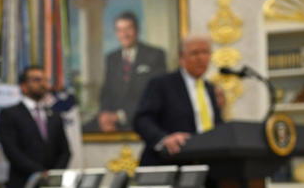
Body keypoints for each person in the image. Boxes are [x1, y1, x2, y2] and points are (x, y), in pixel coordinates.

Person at [132, 34, 223, 166]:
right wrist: (163, 139)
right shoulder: (162, 84)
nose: (201, 58)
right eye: (194, 53)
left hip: (205, 164)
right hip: (167, 163)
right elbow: (141, 120)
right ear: (181, 58)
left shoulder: (210, 89)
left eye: (205, 52)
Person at [0, 65, 71, 188]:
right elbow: (12, 151)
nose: (43, 84)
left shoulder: (54, 115)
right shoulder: (10, 114)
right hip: (22, 187)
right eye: (37, 80)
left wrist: (53, 174)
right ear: (24, 86)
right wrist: (40, 173)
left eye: (45, 80)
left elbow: (65, 151)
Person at [95, 11, 167, 133]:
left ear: (137, 30)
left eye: (128, 29)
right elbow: (106, 91)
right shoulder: (111, 58)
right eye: (120, 30)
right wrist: (105, 116)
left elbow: (155, 95)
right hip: (113, 123)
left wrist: (120, 116)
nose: (124, 34)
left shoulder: (155, 55)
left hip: (145, 120)